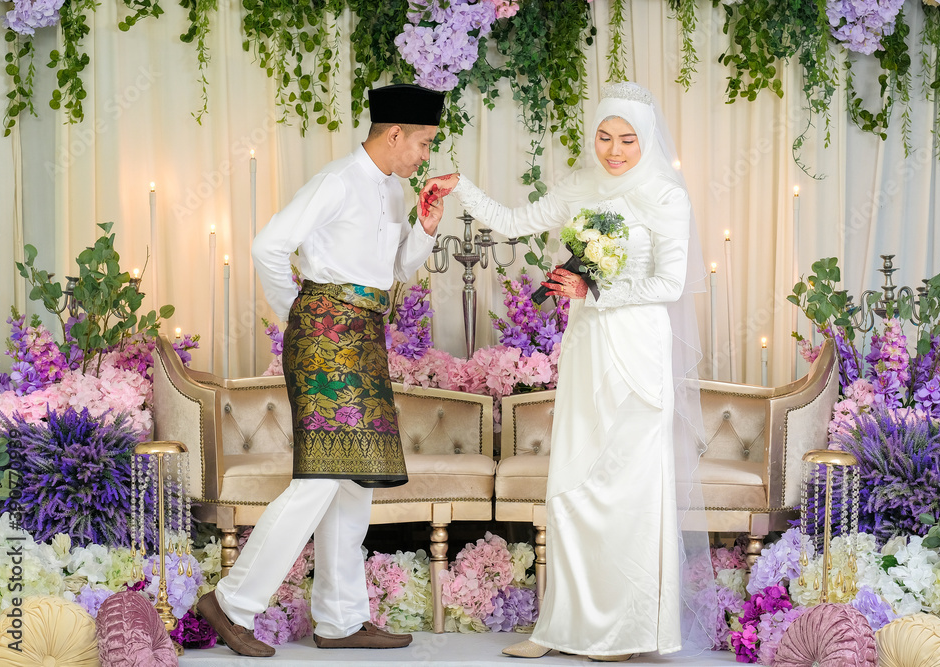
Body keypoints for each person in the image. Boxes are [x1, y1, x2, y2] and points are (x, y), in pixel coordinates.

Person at [423, 81, 714, 661]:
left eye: (627, 140)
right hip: (587, 349)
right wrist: (464, 189)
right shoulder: (582, 183)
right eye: (605, 137)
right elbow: (513, 220)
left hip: (637, 352)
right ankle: (563, 627)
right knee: (572, 486)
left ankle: (628, 633)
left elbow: (671, 284)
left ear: (646, 139)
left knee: (628, 493)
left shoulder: (664, 195)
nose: (614, 150)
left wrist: (595, 288)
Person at [196, 83, 447, 657]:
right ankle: (231, 603)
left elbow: (396, 270)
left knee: (355, 482)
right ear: (394, 134)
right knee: (319, 481)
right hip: (327, 336)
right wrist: (301, 312)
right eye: (423, 143)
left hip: (365, 334)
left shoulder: (394, 191)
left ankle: (340, 620)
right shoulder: (336, 181)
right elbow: (267, 245)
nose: (424, 155)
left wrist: (426, 226)